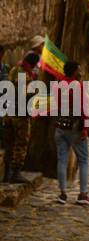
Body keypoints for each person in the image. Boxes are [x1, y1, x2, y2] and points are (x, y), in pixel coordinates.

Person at [51, 62, 89, 205]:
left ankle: (62, 194)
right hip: (75, 128)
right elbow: (84, 109)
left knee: (61, 159)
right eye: (79, 69)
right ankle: (83, 194)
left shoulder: (58, 84)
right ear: (75, 71)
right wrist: (85, 128)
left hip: (60, 126)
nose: (80, 71)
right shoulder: (79, 86)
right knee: (83, 160)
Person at [2, 50, 40, 183]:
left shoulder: (14, 69)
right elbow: (24, 95)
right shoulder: (25, 75)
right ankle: (15, 173)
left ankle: (6, 173)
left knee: (9, 144)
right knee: (21, 144)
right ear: (33, 63)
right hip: (20, 114)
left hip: (8, 113)